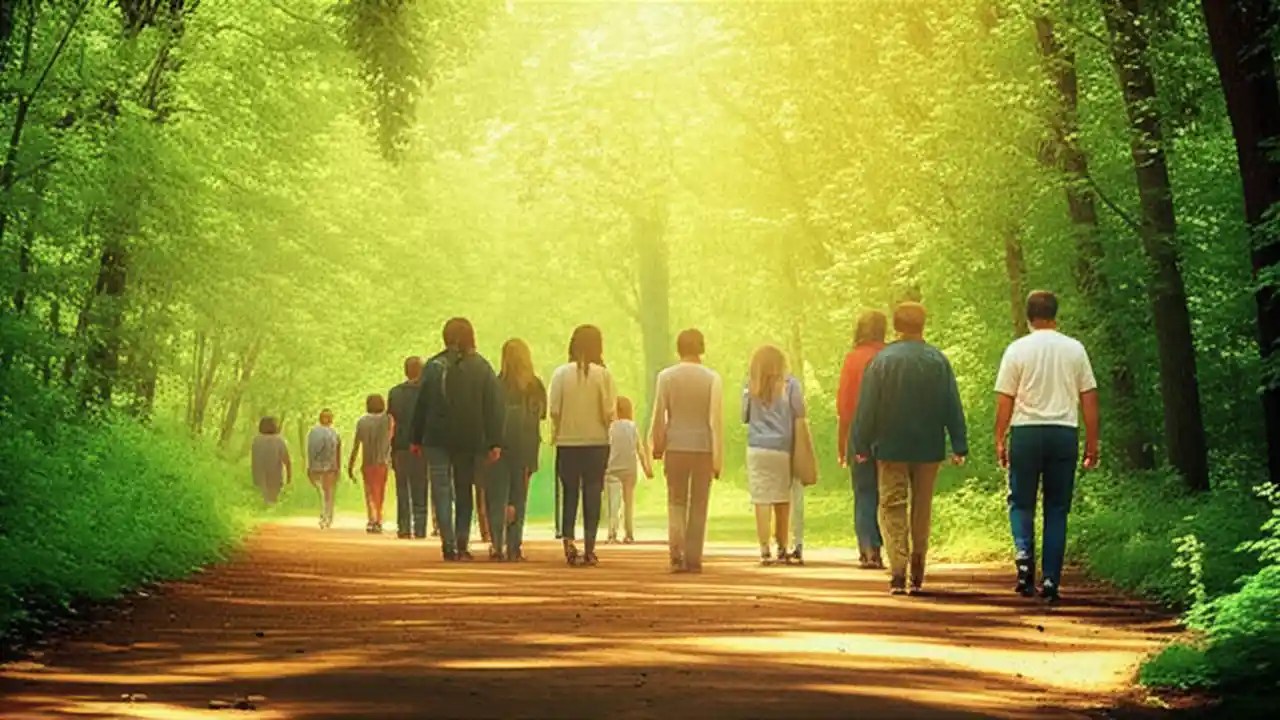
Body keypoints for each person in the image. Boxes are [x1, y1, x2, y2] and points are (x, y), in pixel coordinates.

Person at [852, 302, 967, 595]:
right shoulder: (938, 361)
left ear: (896, 326)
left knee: (892, 506)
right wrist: (959, 442)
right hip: (928, 446)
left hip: (890, 447)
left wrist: (861, 442)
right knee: (921, 506)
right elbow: (951, 404)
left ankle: (898, 570)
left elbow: (867, 407)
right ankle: (918, 568)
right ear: (923, 325)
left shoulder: (881, 362)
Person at [995, 291, 1100, 602]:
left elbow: (1005, 399)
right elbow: (1089, 397)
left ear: (1028, 316)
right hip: (1063, 432)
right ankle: (1052, 579)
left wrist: (999, 438)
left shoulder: (1016, 350)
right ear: (1056, 314)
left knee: (1021, 501)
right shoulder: (1075, 349)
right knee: (1056, 508)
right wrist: (1092, 442)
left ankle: (1025, 557)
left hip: (1025, 432)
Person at [411, 318, 503, 561]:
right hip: (469, 438)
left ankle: (448, 544)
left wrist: (415, 437)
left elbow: (421, 406)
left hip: (435, 437)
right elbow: (492, 406)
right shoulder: (482, 367)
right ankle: (462, 544)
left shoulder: (433, 366)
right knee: (464, 490)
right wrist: (494, 441)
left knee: (441, 489)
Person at [651, 328, 724, 574]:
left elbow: (659, 414)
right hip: (702, 447)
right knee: (699, 503)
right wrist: (717, 457)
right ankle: (694, 557)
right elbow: (715, 420)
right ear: (701, 348)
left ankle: (676, 553)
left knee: (676, 500)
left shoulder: (666, 377)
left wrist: (657, 444)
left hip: (676, 446)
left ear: (678, 349)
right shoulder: (713, 378)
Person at [549, 324, 617, 567]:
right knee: (593, 492)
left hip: (567, 442)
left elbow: (554, 410)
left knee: (569, 493)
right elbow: (609, 411)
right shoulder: (603, 375)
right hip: (597, 442)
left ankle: (568, 542)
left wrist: (558, 432)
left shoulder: (560, 374)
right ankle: (590, 547)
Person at [743, 345, 806, 566]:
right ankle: (782, 546)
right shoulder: (791, 385)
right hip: (782, 448)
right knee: (782, 499)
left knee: (761, 499)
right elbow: (800, 413)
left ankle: (764, 550)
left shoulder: (751, 386)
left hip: (757, 448)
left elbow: (745, 416)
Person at [837, 310, 888, 569]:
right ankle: (887, 544)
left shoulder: (853, 359)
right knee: (888, 491)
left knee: (864, 491)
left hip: (859, 433)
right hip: (888, 431)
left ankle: (869, 548)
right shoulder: (889, 356)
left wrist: (842, 442)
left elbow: (845, 406)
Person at [489, 338, 547, 561]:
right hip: (526, 446)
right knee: (519, 496)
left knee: (498, 497)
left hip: (500, 445)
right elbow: (541, 415)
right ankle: (515, 546)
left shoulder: (496, 383)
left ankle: (497, 545)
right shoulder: (535, 385)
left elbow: (489, 414)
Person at [389, 357, 430, 539]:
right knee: (420, 485)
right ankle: (420, 527)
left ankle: (404, 526)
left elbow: (392, 422)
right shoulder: (428, 393)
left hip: (400, 444)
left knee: (402, 487)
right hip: (422, 445)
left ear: (406, 371)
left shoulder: (395, 393)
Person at [605, 396, 653, 544]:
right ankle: (629, 533)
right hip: (630, 468)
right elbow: (639, 449)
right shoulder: (632, 427)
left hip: (612, 468)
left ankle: (612, 534)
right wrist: (647, 469)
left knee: (613, 503)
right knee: (628, 502)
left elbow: (605, 449)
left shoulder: (610, 427)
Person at [349, 393, 393, 534]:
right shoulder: (387, 420)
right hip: (382, 462)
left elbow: (356, 444)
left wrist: (351, 464)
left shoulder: (362, 421)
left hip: (367, 462)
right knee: (380, 491)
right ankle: (378, 520)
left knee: (369, 492)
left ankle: (371, 519)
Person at [307, 409, 344, 530]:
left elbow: (310, 451)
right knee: (330, 493)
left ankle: (324, 516)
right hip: (331, 467)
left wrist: (310, 466)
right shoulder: (334, 433)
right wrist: (338, 468)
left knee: (321, 493)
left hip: (317, 467)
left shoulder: (313, 433)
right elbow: (338, 452)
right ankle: (328, 517)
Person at [251, 416, 292, 506]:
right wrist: (289, 478)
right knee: (273, 499)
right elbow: (287, 460)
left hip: (259, 475)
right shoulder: (280, 440)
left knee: (262, 497)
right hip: (275, 476)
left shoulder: (256, 441)